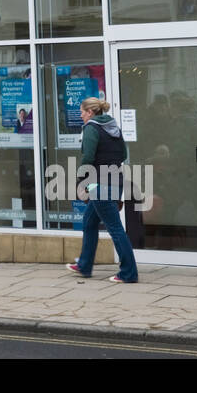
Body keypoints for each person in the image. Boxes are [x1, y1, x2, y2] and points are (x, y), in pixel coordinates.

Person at [66, 96, 138, 284]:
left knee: (115, 227)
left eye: (82, 112)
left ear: (90, 112)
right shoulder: (113, 126)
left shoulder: (91, 128)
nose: (81, 115)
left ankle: (129, 273)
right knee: (89, 222)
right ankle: (84, 265)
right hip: (115, 179)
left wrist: (81, 180)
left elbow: (88, 157)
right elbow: (123, 154)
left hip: (99, 182)